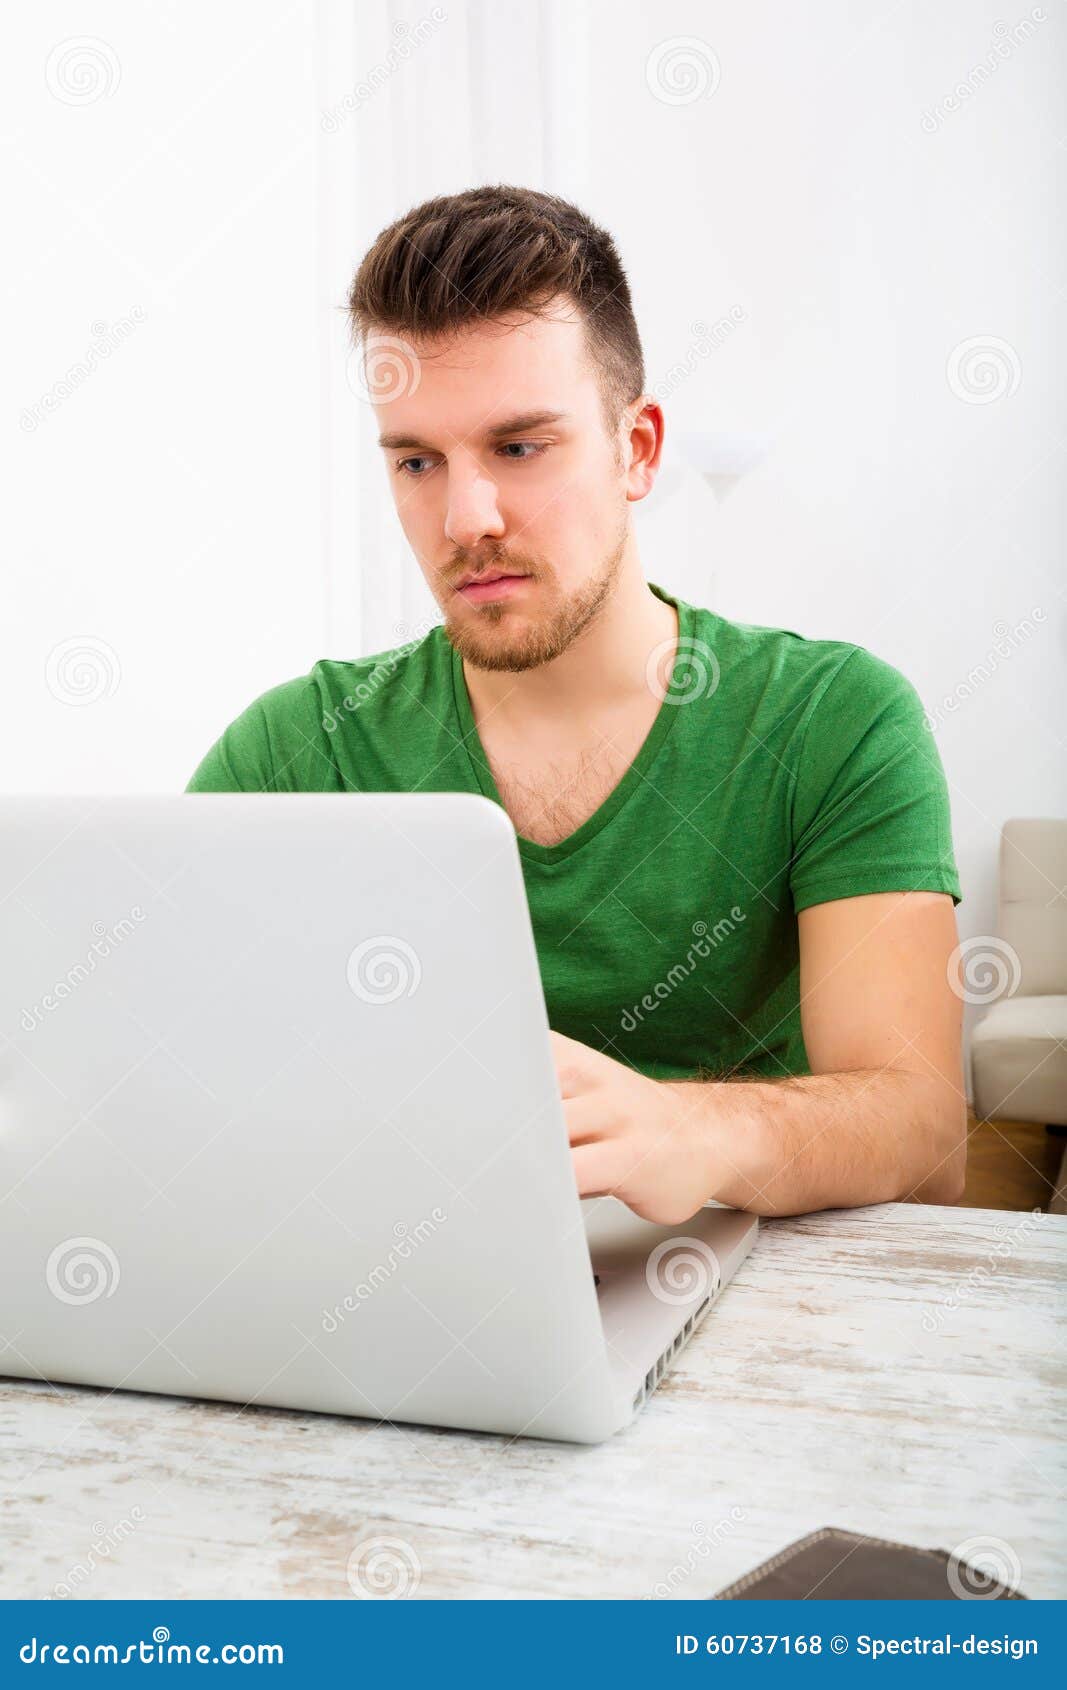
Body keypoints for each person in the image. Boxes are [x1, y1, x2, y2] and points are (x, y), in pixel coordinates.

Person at [187, 185, 966, 1222]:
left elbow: (922, 1137)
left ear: (635, 450)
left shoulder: (835, 719)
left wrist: (698, 1131)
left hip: (750, 1296)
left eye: (518, 448)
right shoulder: (296, 748)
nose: (465, 518)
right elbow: (161, 1065)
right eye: (417, 460)